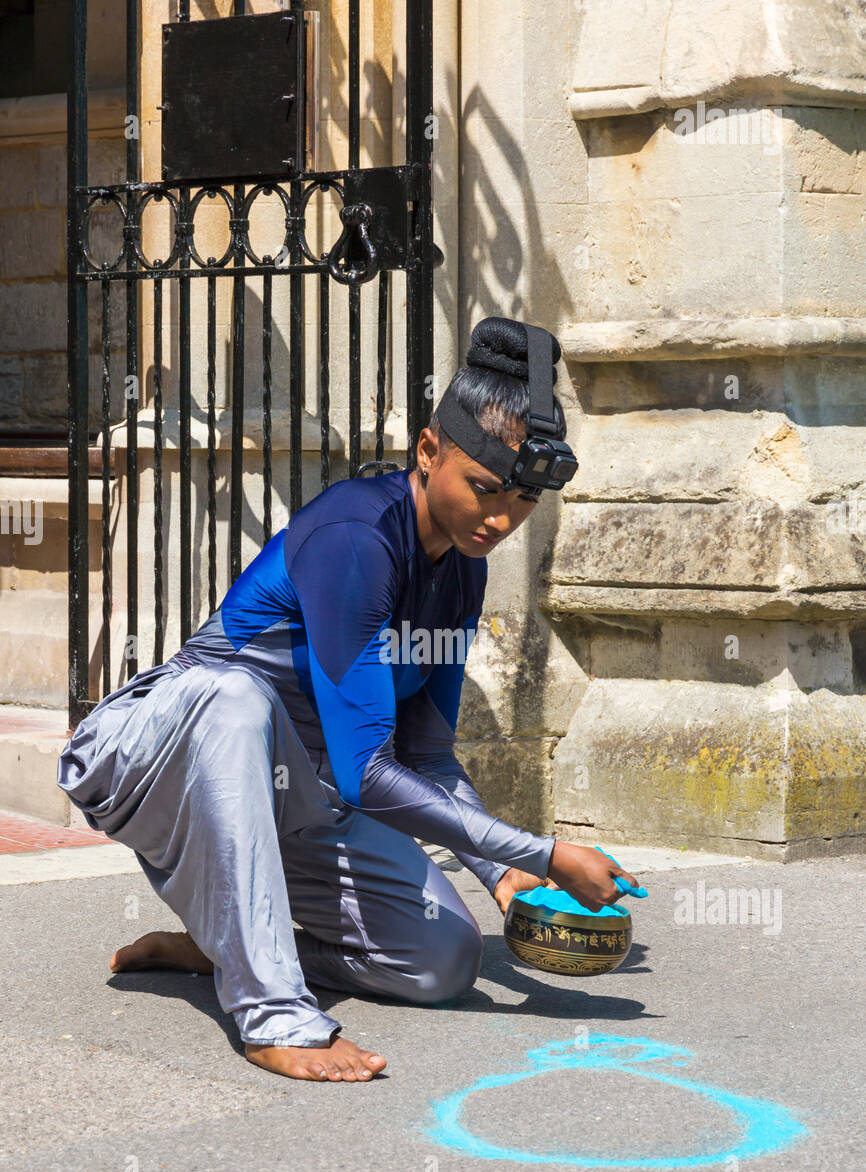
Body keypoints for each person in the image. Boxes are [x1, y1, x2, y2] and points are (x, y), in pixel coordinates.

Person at [57, 315, 640, 1084]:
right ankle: (272, 1013)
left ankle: (221, 945)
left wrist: (499, 874)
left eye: (524, 499)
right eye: (486, 489)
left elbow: (426, 753)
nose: (502, 519)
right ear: (428, 452)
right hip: (158, 757)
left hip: (294, 797)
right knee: (238, 698)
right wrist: (544, 853)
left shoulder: (463, 568)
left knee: (444, 961)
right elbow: (368, 771)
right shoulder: (358, 537)